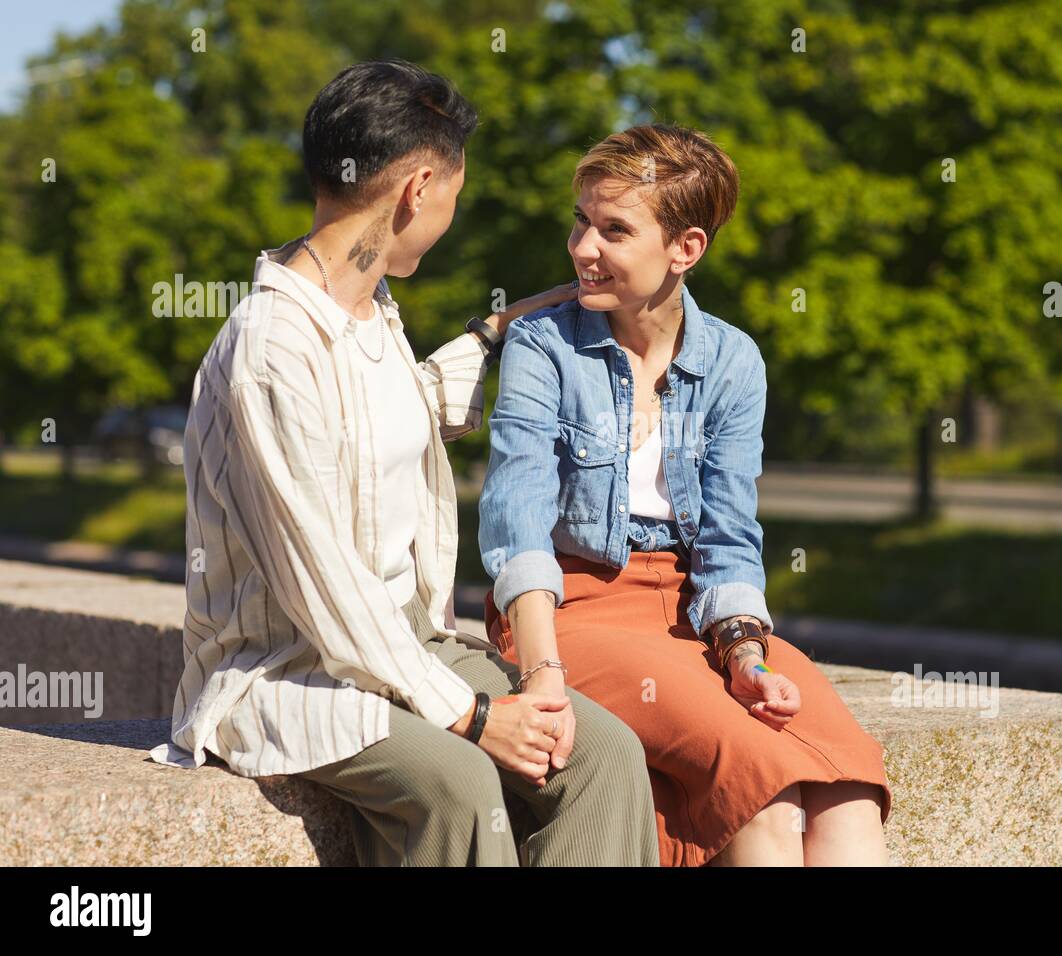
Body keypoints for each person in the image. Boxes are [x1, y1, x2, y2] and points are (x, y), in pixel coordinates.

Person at [147, 60, 659, 867]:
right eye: (452, 199)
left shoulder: (367, 307)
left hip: (407, 646)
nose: (447, 218)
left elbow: (398, 412)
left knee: (604, 757)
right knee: (460, 783)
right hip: (290, 670)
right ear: (418, 189)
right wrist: (474, 716)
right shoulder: (271, 345)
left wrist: (498, 334)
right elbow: (320, 581)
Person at [478, 123, 894, 866]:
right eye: (580, 221)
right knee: (765, 790)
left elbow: (730, 538)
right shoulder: (544, 346)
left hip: (690, 616)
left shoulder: (733, 361)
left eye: (613, 229)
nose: (582, 248)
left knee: (848, 787)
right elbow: (518, 524)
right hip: (571, 611)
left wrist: (745, 653)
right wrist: (542, 675)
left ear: (686, 249)